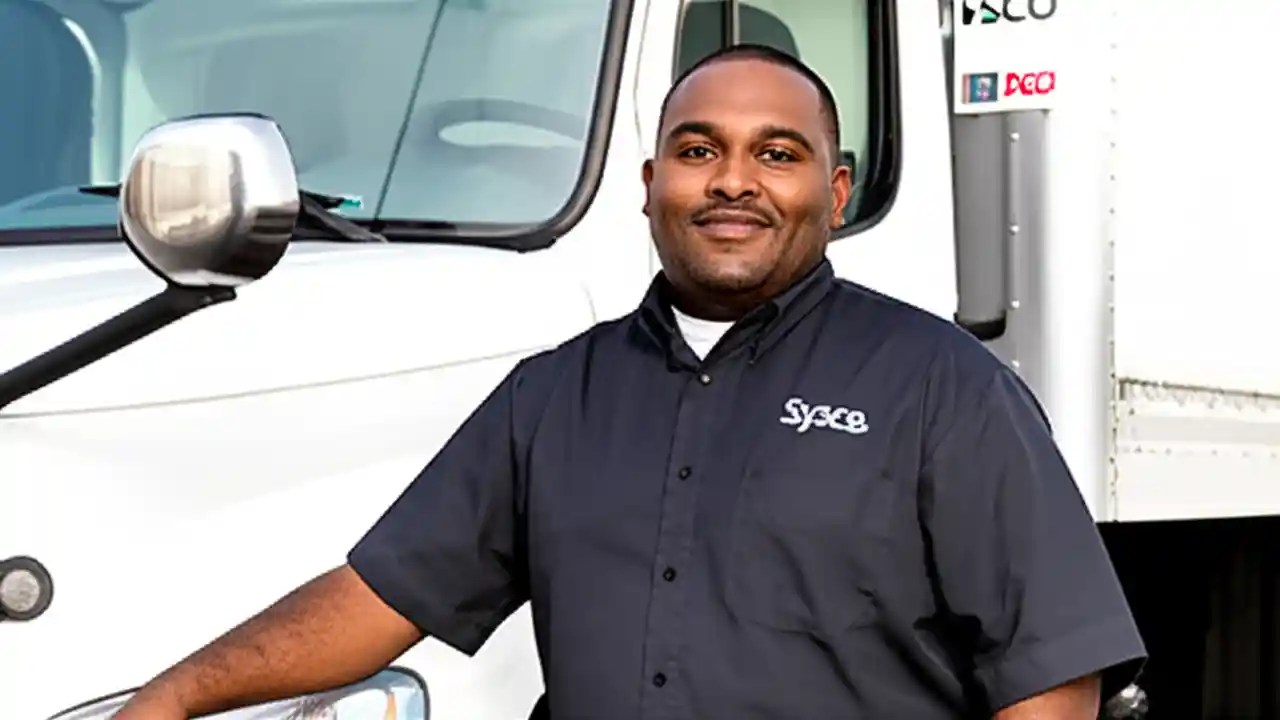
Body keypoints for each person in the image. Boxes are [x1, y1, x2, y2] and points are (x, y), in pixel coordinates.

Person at [114, 44, 1146, 719]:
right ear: (652, 186)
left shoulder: (942, 389)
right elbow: (379, 597)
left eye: (775, 154)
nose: (733, 180)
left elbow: (1050, 668)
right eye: (698, 150)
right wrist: (172, 698)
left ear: (832, 193)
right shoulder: (554, 397)